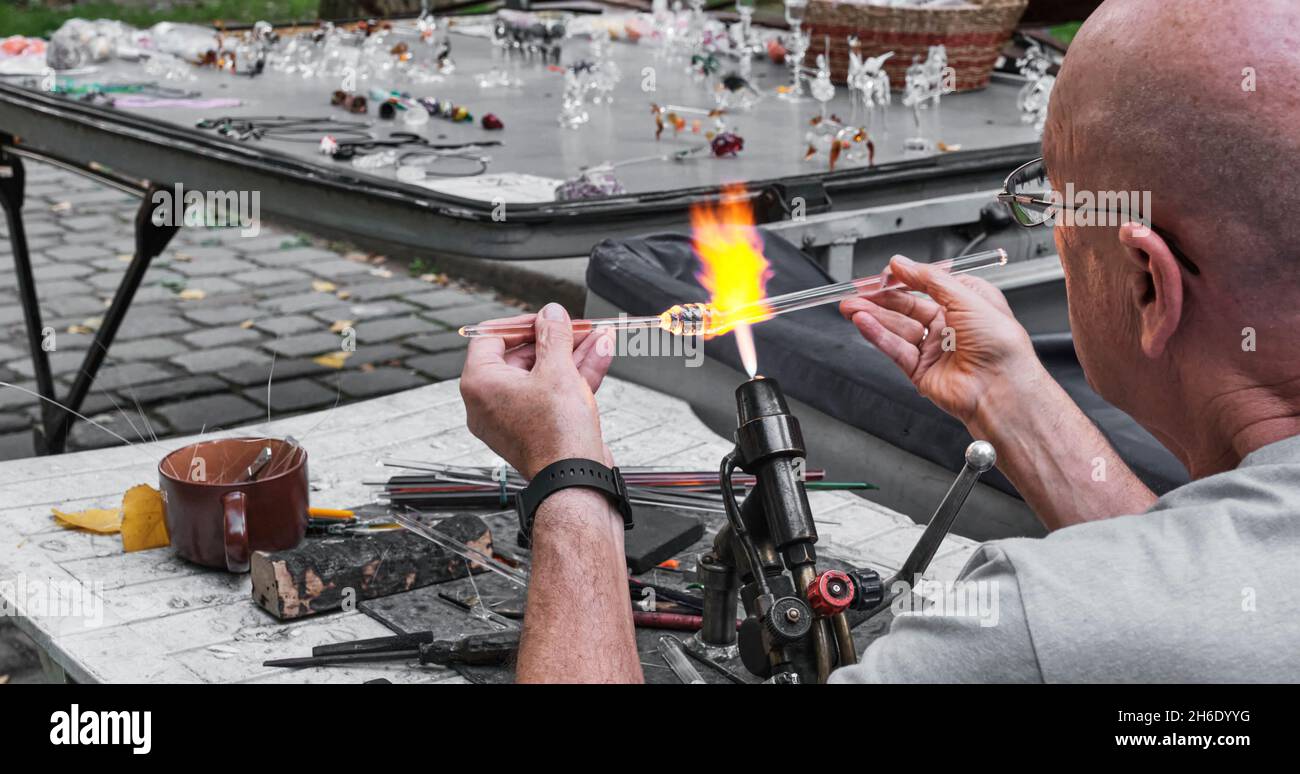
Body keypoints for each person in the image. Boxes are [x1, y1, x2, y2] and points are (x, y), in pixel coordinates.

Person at [459, 0, 1300, 683]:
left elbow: (1123, 621)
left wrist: (568, 476)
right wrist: (1011, 399)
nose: (1045, 225)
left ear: (1147, 284)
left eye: (1048, 202)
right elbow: (1196, 590)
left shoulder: (1028, 629)